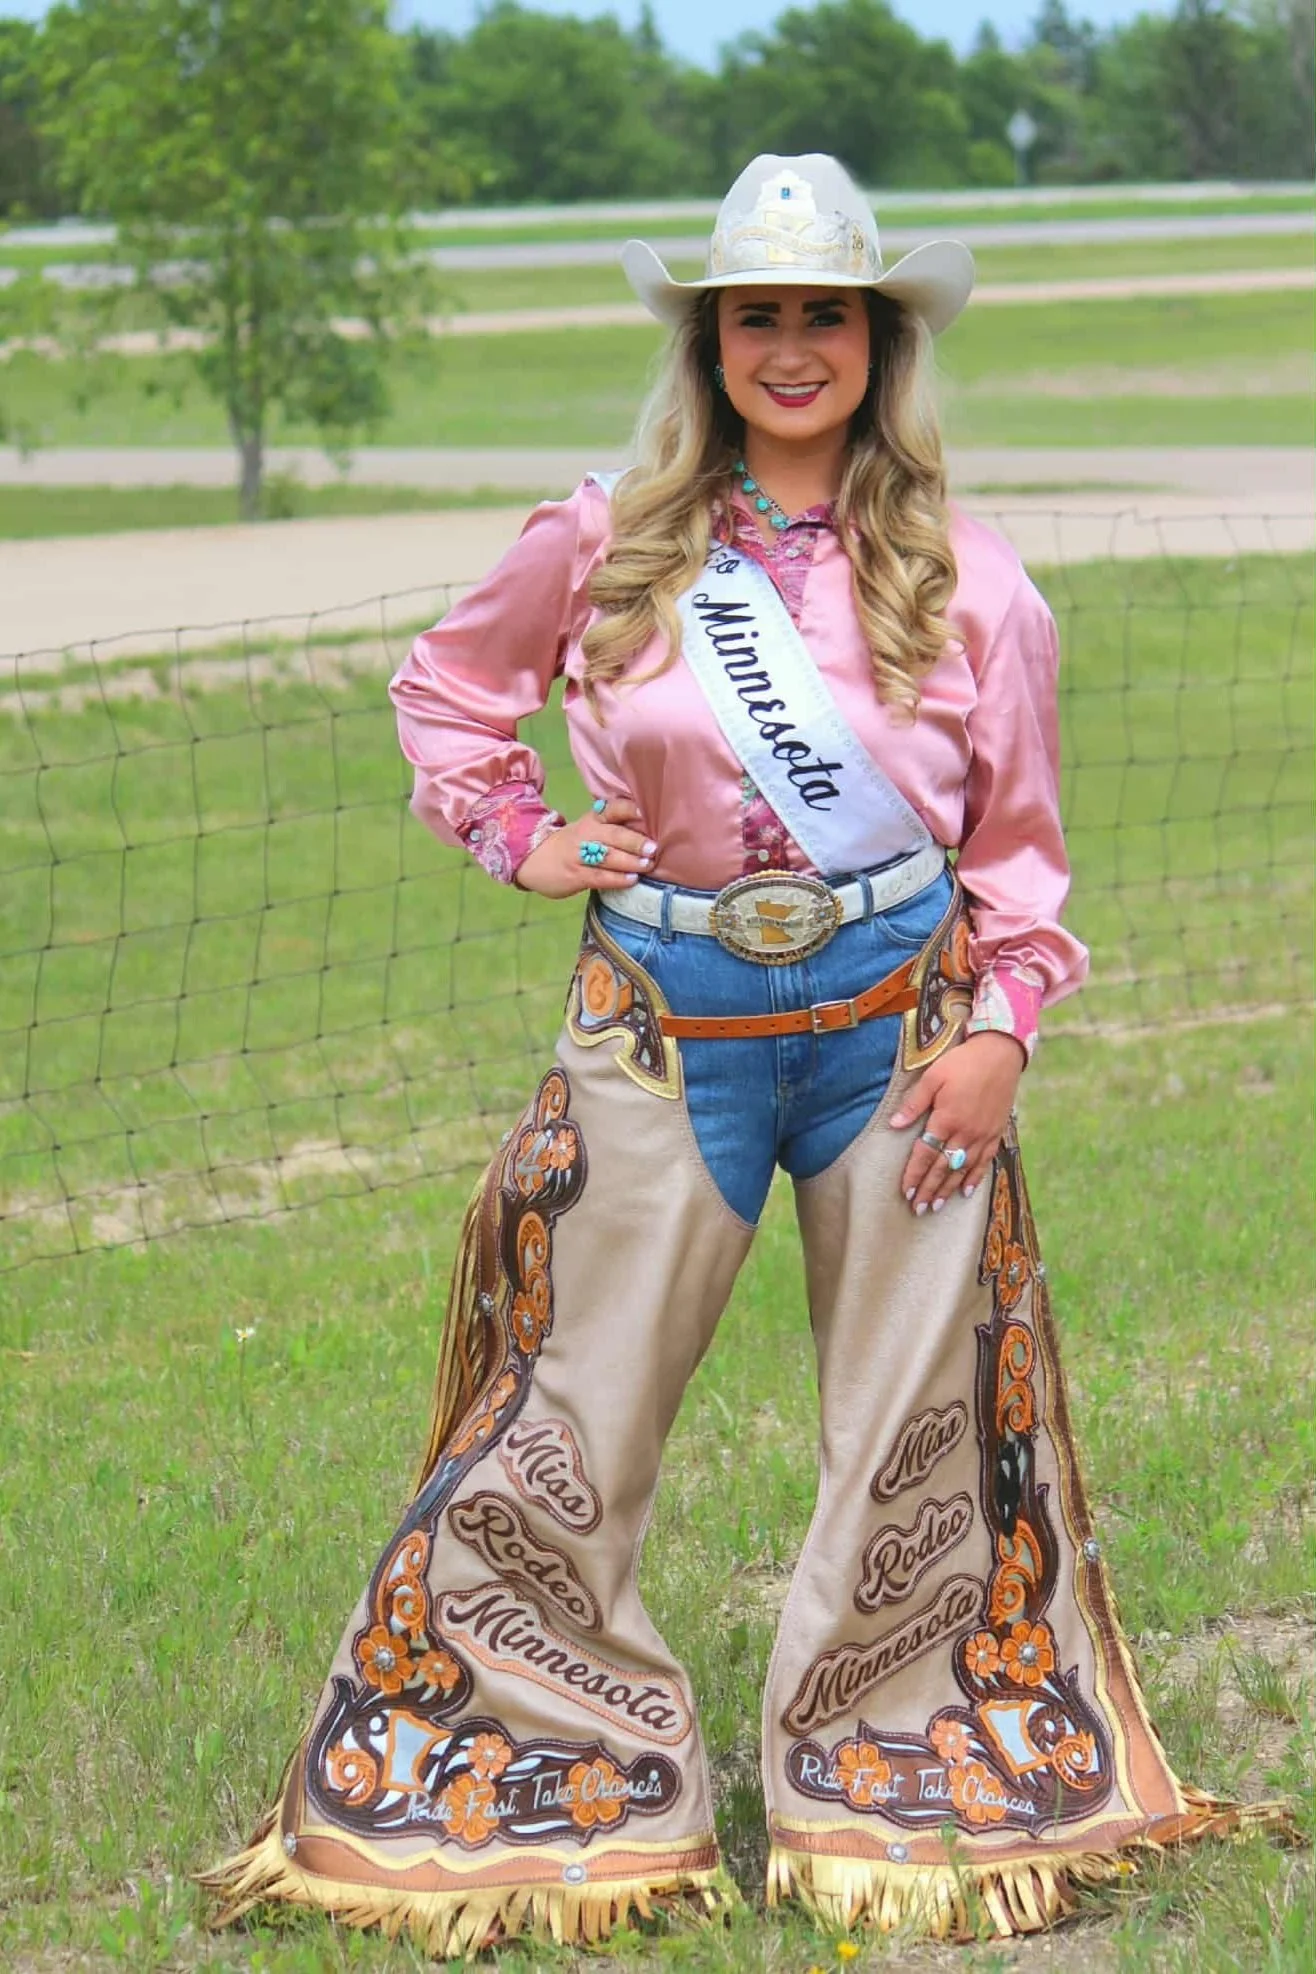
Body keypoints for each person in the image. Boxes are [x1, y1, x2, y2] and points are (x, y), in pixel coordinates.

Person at [204, 154, 1269, 1955]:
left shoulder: (971, 577)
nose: (791, 348)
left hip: (901, 1033)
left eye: (824, 315)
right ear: (709, 343)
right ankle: (541, 1758)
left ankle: (896, 1775)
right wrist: (516, 833)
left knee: (917, 1431)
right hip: (657, 1026)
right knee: (566, 1408)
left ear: (877, 340)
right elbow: (447, 695)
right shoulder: (606, 538)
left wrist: (1006, 1025)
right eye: (755, 316)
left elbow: (1018, 853)